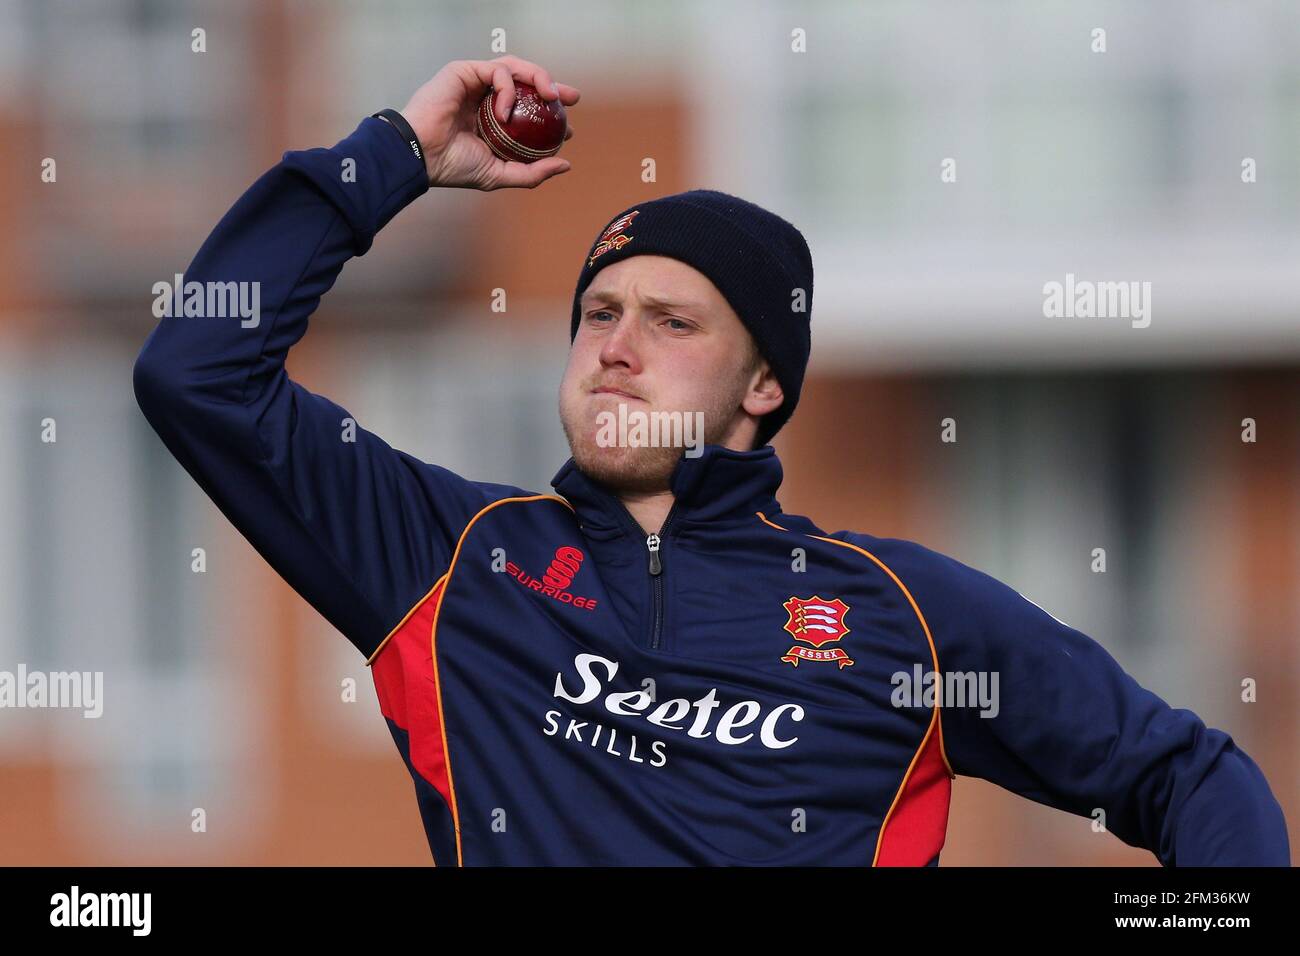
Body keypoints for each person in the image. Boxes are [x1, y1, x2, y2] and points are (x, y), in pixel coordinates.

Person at [133, 56, 1290, 866]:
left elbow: (1189, 776)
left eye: (673, 323)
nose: (616, 349)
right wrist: (391, 156)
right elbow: (196, 372)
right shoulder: (449, 560)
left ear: (763, 385)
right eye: (597, 313)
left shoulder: (904, 613)